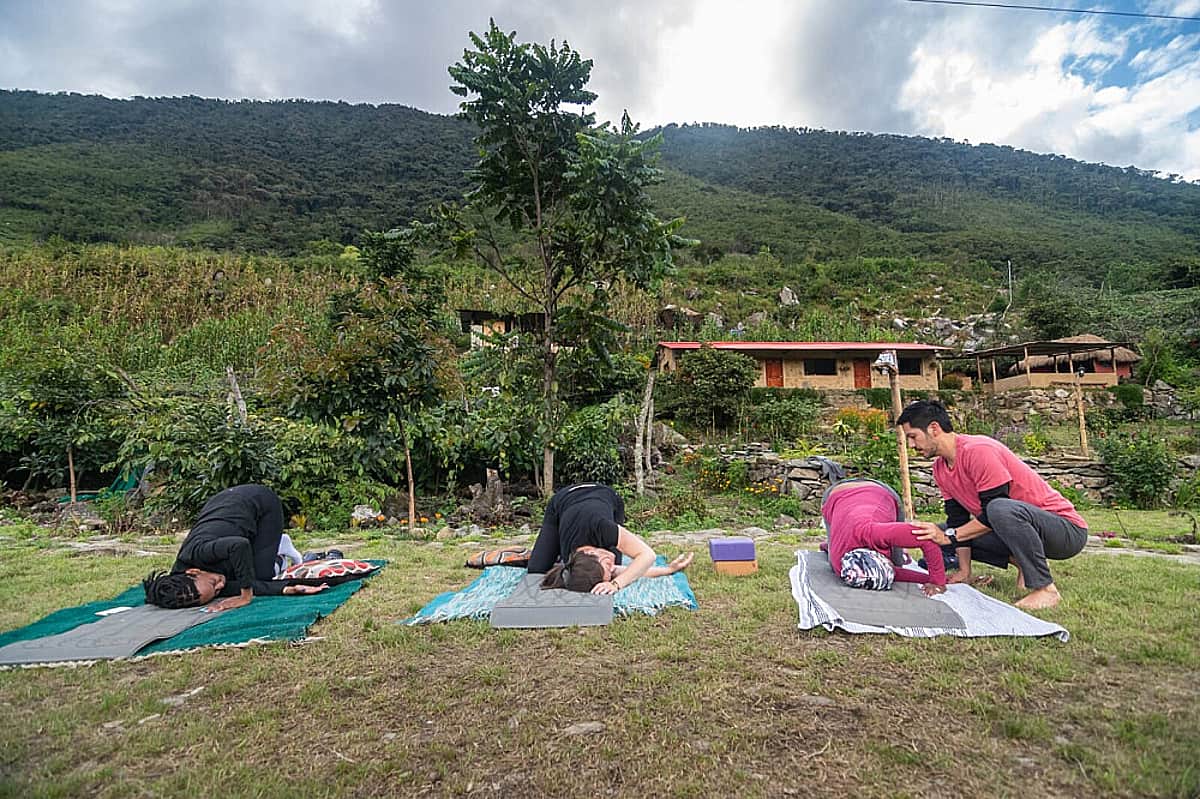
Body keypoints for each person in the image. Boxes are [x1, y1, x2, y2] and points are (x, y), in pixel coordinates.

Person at [897, 400, 1088, 610]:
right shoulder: (940, 469)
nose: (911, 445)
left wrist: (950, 535)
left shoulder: (979, 451)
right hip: (1017, 527)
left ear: (934, 428)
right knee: (940, 532)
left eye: (913, 436)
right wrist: (964, 571)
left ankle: (1046, 589)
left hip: (1066, 532)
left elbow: (994, 511)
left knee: (997, 509)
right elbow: (957, 520)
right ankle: (1024, 563)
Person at [143, 484, 329, 611]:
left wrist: (245, 595)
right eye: (217, 592)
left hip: (259, 503)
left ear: (194, 571)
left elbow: (238, 546)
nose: (220, 585)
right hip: (228, 509)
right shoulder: (185, 581)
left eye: (214, 583)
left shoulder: (199, 552)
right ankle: (268, 550)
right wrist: (289, 589)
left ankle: (281, 546)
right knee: (239, 576)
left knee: (260, 574)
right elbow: (233, 586)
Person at [528, 482, 693, 594]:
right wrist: (666, 570)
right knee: (536, 568)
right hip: (563, 503)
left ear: (589, 552)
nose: (612, 564)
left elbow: (647, 555)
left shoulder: (603, 527)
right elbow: (623, 570)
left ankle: (542, 554)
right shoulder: (578, 560)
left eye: (608, 565)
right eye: (609, 567)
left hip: (602, 494)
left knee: (618, 562)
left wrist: (616, 584)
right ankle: (533, 554)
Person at [822, 478, 946, 596]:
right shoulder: (840, 567)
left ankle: (833, 543)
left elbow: (926, 537)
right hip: (835, 500)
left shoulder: (873, 532)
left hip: (877, 491)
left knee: (897, 561)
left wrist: (938, 581)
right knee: (837, 550)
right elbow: (891, 572)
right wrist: (929, 579)